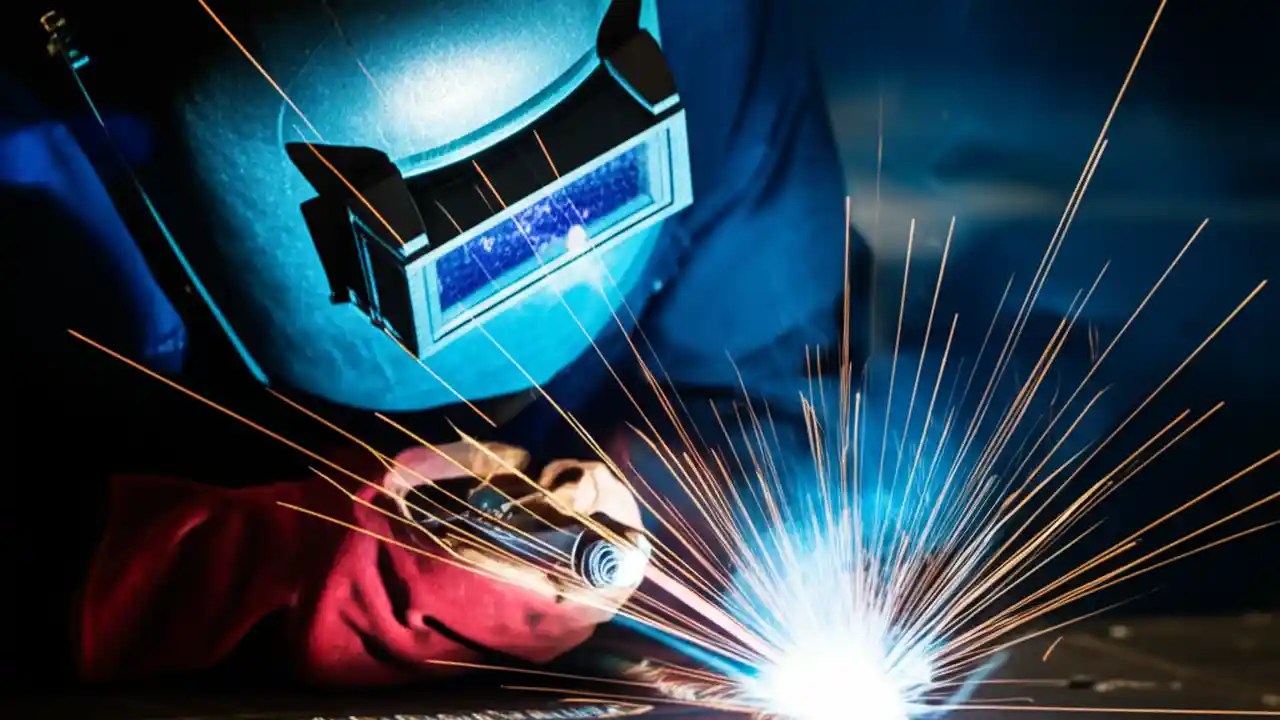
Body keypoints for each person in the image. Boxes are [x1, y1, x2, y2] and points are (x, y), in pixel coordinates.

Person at [2, 0, 861, 690]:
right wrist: (319, 575)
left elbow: (767, 360)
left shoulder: (703, 32)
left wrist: (719, 524)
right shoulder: (34, 182)